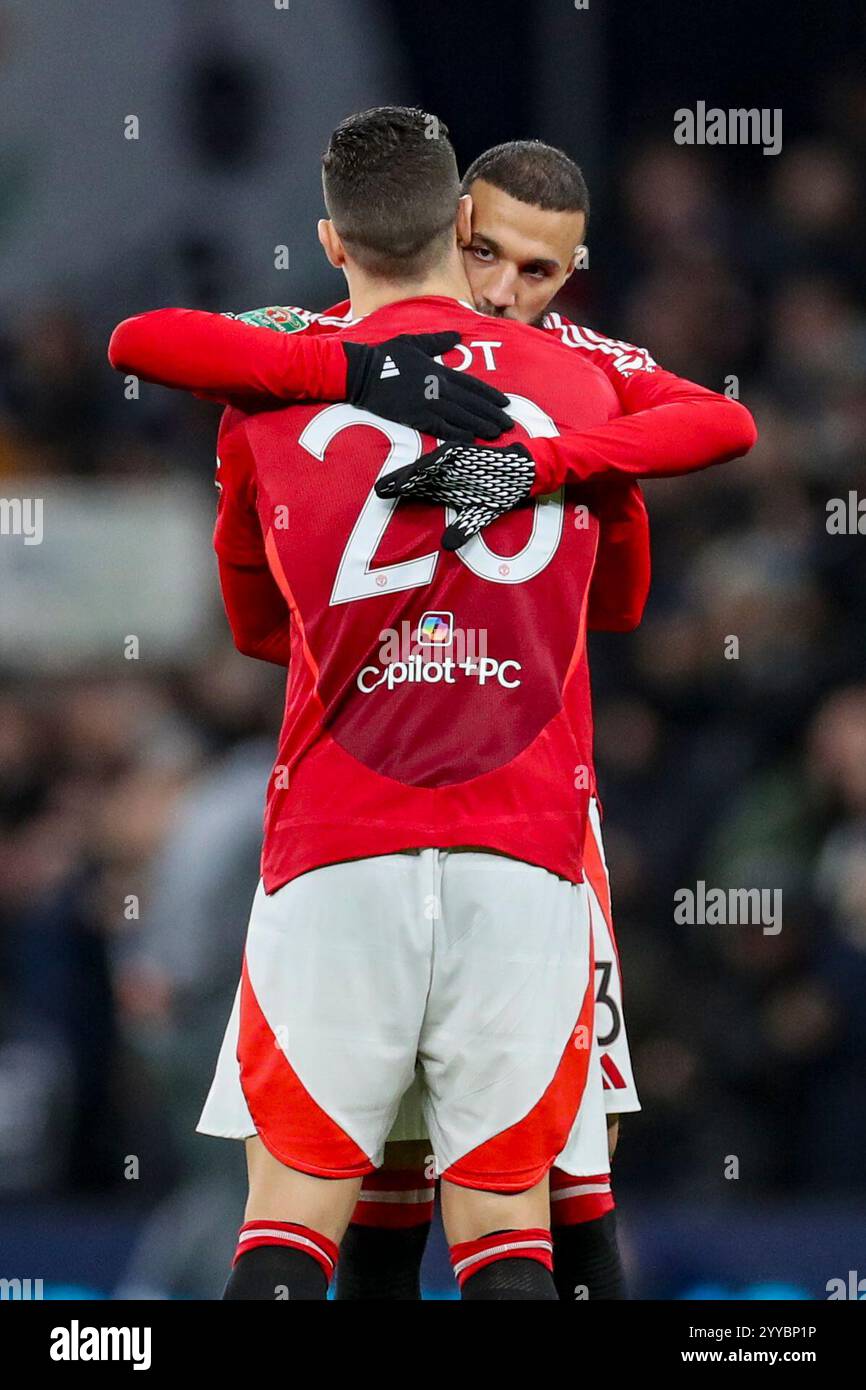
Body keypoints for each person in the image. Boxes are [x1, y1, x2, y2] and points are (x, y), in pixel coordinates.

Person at [109, 134, 756, 1300]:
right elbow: (631, 582)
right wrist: (562, 466)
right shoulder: (574, 377)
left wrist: (534, 462)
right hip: (524, 839)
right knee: (508, 1211)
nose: (509, 291)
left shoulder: (281, 367)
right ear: (450, 228)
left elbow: (254, 613)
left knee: (382, 1203)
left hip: (351, 831)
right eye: (488, 256)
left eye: (541, 272)